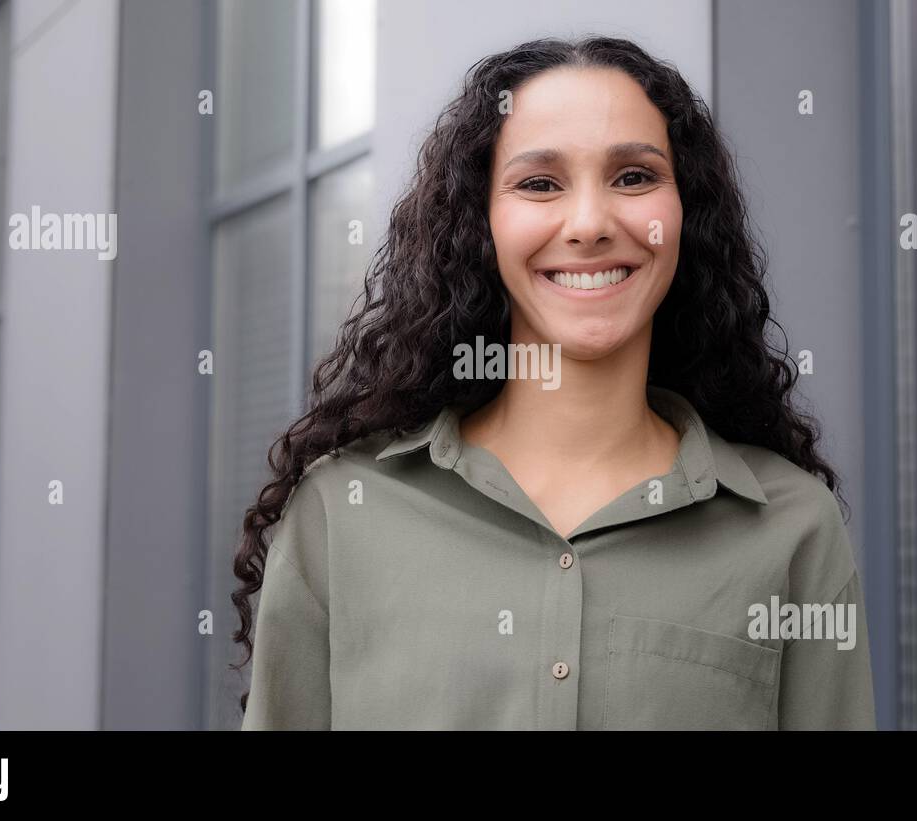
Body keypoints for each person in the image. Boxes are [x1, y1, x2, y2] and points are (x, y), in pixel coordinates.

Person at [235, 35, 875, 730]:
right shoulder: (339, 515)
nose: (591, 224)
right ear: (480, 222)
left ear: (686, 214)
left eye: (634, 176)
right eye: (539, 183)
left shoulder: (792, 529)